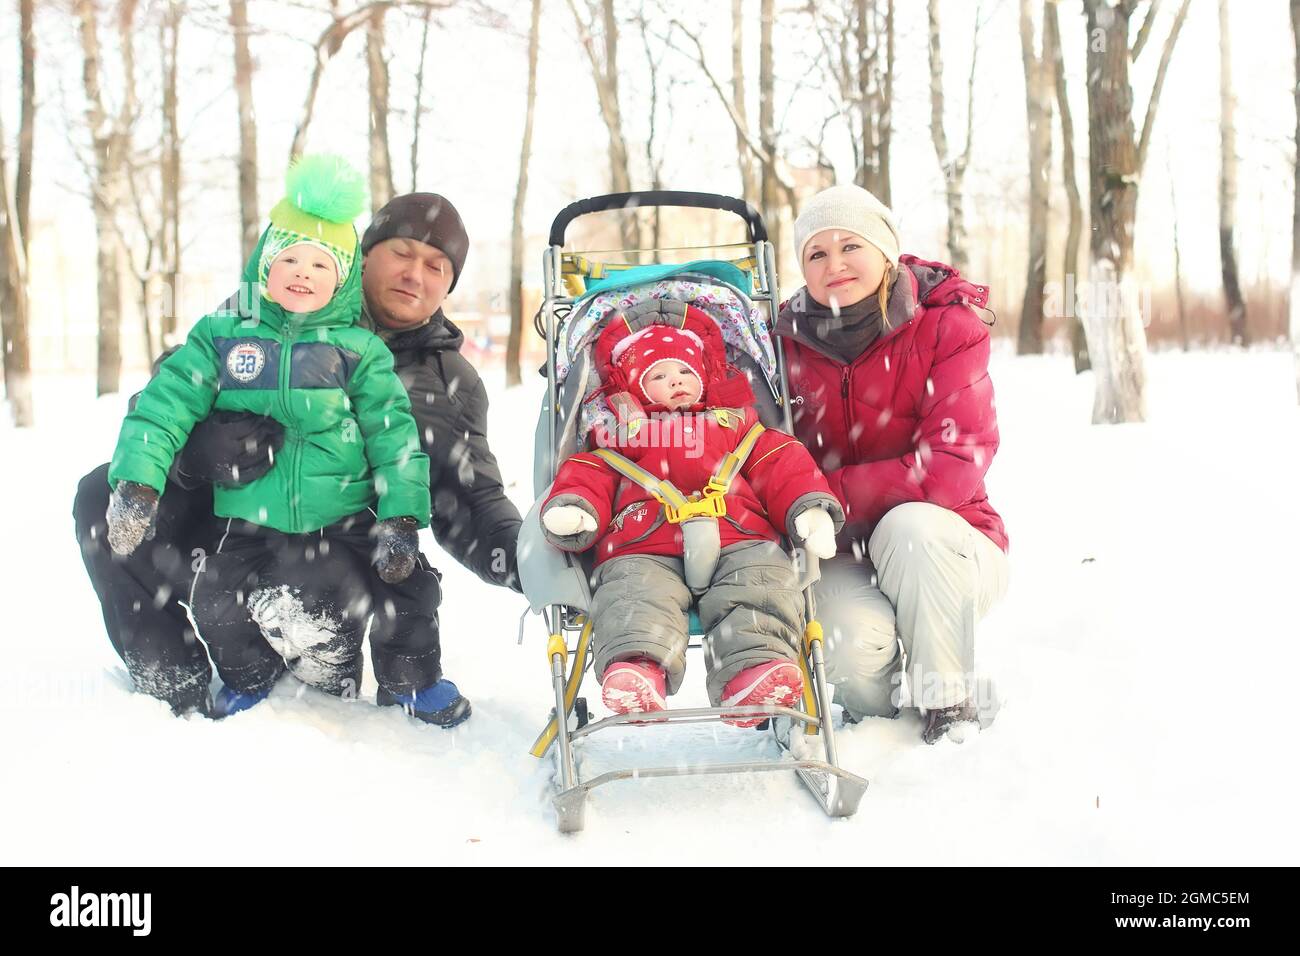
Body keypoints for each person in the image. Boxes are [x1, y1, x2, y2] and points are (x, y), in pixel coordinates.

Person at [73, 190, 524, 724]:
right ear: (364, 252)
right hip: (233, 527)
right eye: (403, 253)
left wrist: (529, 560)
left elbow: (471, 496)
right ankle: (169, 683)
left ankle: (318, 670)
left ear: (448, 285)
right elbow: (166, 397)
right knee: (102, 495)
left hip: (339, 547)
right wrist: (196, 453)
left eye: (436, 266)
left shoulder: (449, 383)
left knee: (325, 570)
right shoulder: (276, 299)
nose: (415, 275)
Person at [103, 154, 434, 718]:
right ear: (264, 265)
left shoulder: (358, 350)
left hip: (342, 519)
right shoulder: (222, 335)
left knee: (406, 588)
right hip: (245, 520)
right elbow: (163, 406)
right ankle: (248, 678)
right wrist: (139, 482)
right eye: (290, 258)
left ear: (344, 279)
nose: (303, 272)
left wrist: (402, 518)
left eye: (321, 264)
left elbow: (395, 435)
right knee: (216, 603)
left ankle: (411, 682)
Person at [775, 183, 1010, 744]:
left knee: (913, 530)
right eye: (817, 253)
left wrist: (827, 493)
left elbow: (953, 464)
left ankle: (946, 705)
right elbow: (766, 455)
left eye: (850, 246)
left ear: (885, 251)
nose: (835, 264)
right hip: (833, 547)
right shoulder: (783, 347)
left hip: (951, 544)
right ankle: (875, 735)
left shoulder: (946, 327)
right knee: (847, 639)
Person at [539, 299, 843, 726]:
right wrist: (577, 507)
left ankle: (751, 671)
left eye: (685, 372)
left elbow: (782, 462)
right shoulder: (619, 435)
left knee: (761, 583)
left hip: (739, 535)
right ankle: (638, 669)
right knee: (636, 592)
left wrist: (807, 507)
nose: (676, 381)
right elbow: (590, 473)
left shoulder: (738, 425)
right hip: (645, 542)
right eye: (659, 375)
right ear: (634, 389)